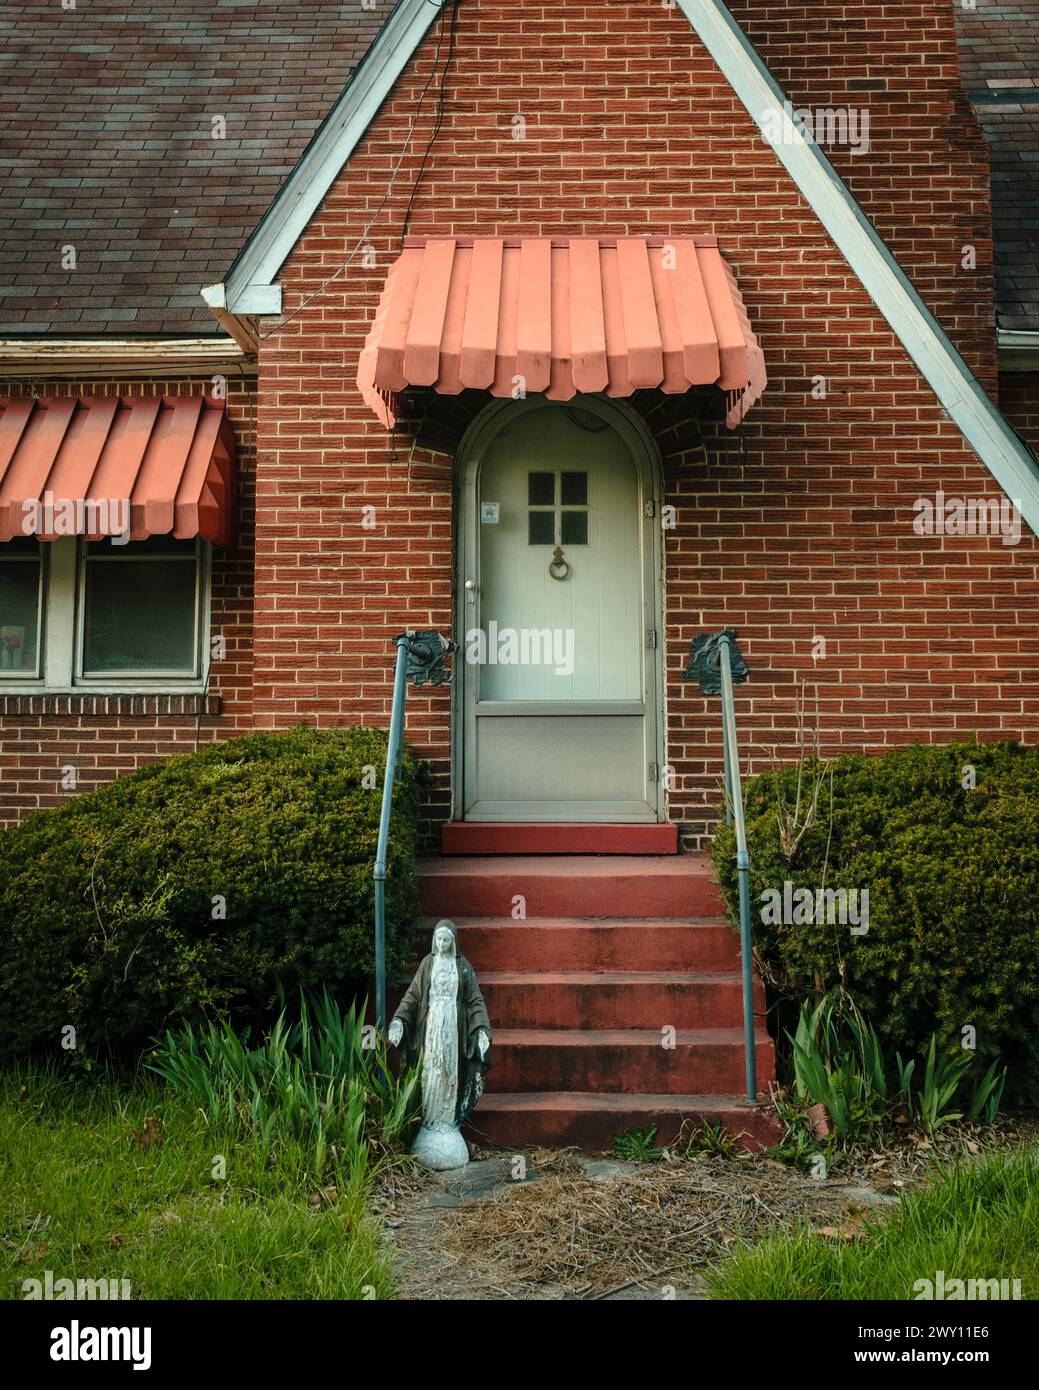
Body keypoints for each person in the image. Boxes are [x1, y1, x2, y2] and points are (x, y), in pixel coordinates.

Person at [388, 920, 491, 1170]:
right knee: (431, 1072)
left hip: (453, 1030)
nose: (442, 944)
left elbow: (475, 1000)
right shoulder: (427, 964)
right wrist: (400, 1020)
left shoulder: (463, 967)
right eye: (438, 939)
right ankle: (430, 1123)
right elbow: (413, 996)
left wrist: (481, 1030)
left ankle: (447, 1123)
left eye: (446, 940)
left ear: (453, 942)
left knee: (448, 1073)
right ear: (434, 940)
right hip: (431, 1027)